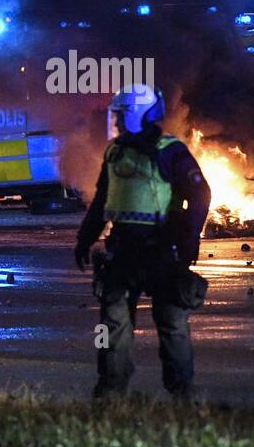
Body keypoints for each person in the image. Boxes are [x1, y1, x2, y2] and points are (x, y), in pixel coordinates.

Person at [74, 84, 211, 400]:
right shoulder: (115, 152)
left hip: (161, 251)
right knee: (113, 325)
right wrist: (85, 239)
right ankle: (111, 392)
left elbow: (200, 194)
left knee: (171, 321)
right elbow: (102, 203)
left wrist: (187, 239)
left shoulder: (170, 150)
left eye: (121, 115)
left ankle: (182, 395)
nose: (117, 122)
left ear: (136, 115)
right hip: (123, 251)